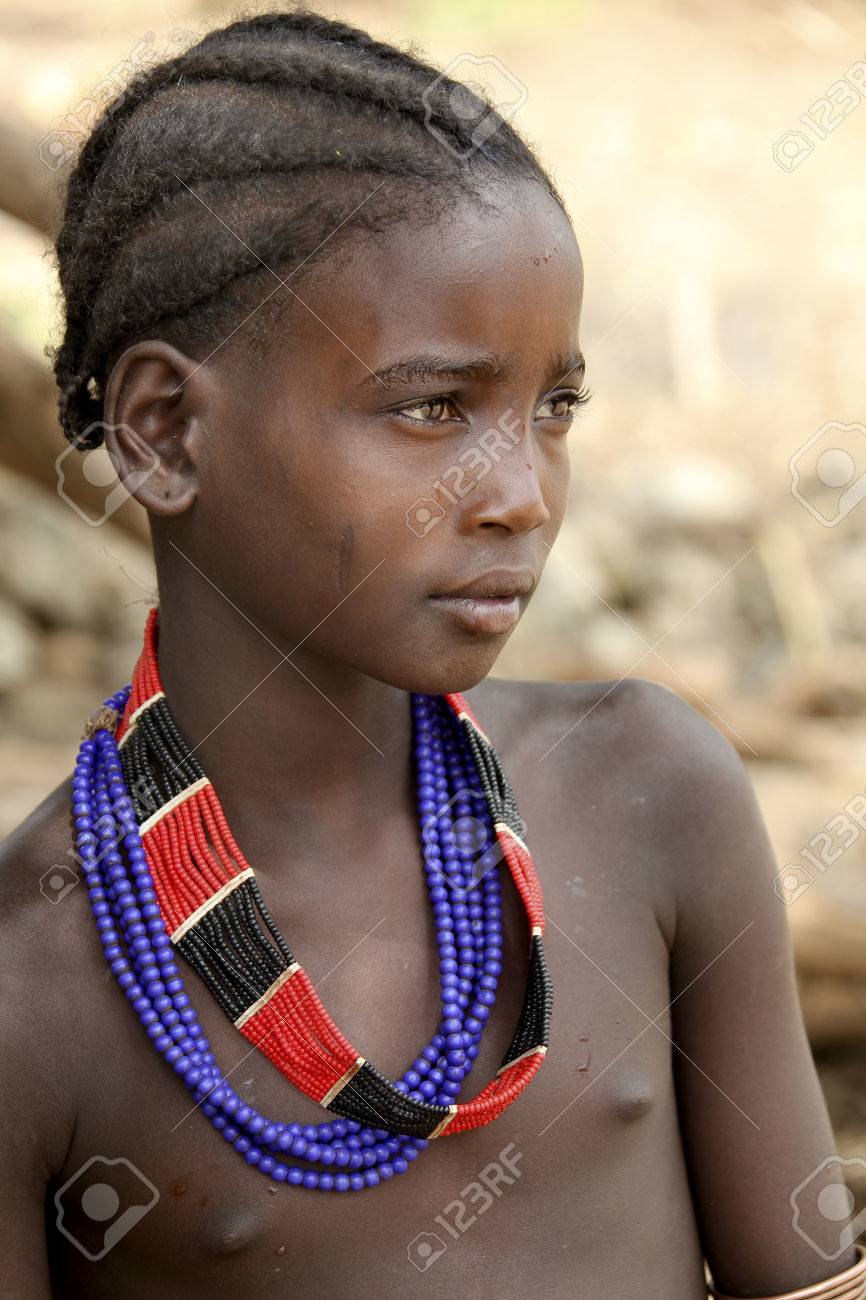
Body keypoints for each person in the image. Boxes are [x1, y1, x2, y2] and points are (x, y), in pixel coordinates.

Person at [1, 9, 863, 1299]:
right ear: (166, 432)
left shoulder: (650, 795)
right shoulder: (40, 978)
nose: (521, 491)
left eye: (553, 407)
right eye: (433, 406)